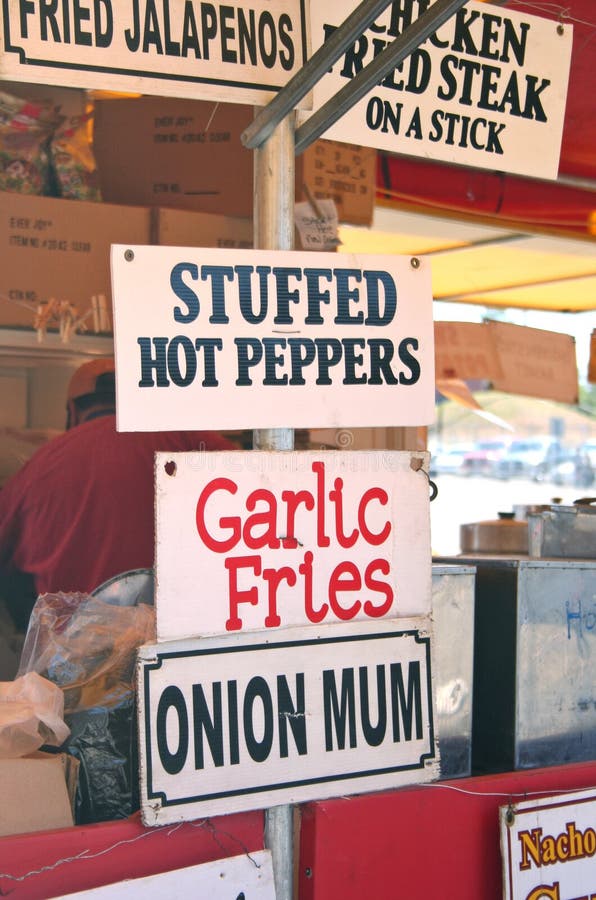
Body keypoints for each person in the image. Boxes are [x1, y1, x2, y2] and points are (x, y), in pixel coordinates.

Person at [0, 358, 237, 604]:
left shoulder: (37, 468)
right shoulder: (186, 436)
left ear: (72, 411)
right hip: (192, 618)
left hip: (78, 626)